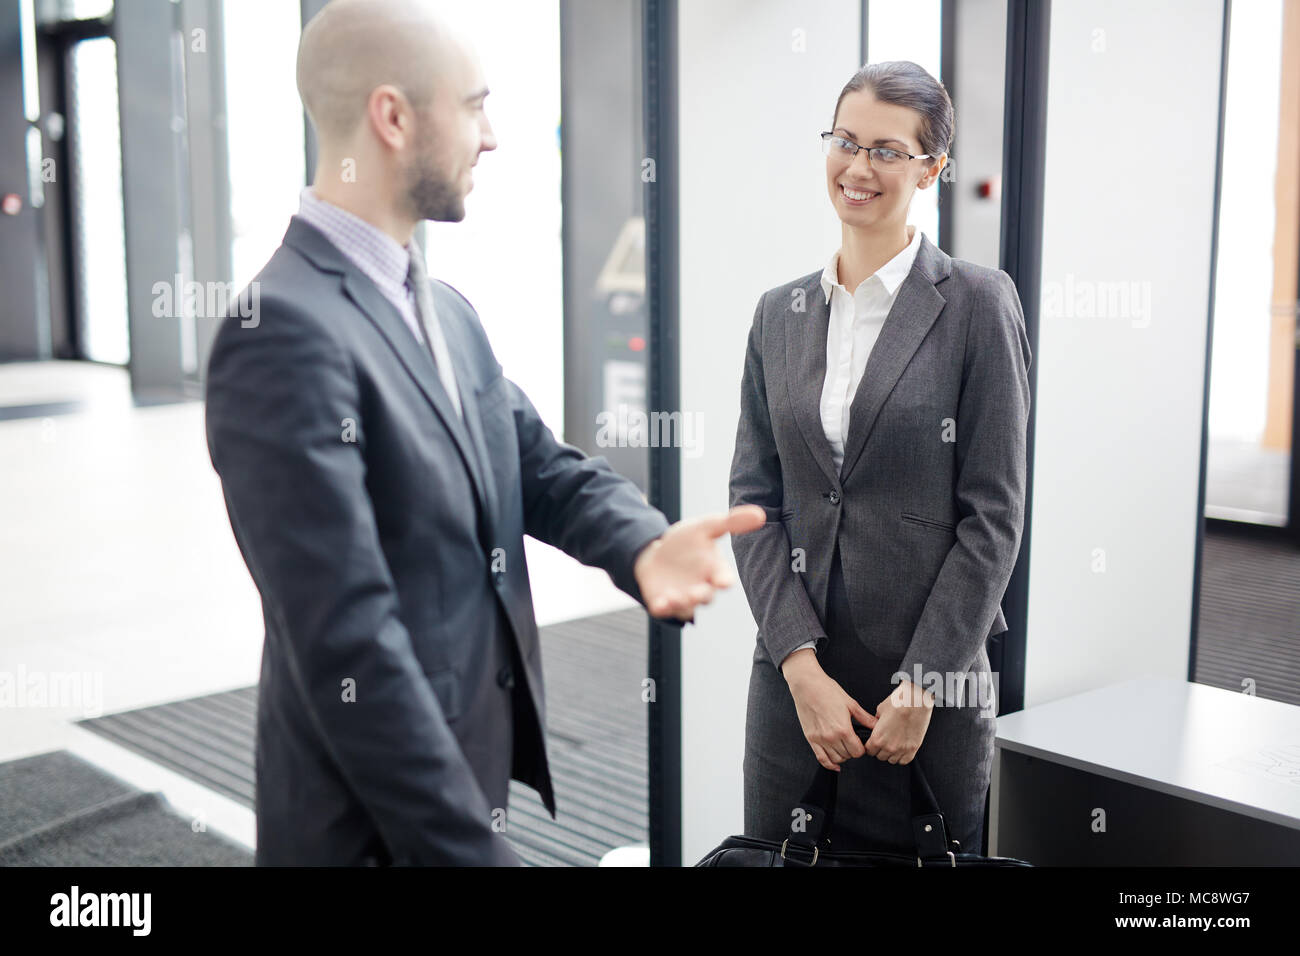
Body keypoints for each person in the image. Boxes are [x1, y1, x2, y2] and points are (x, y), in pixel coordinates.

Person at [204, 0, 763, 866]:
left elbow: (535, 463)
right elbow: (347, 644)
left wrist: (641, 545)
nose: (492, 135)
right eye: (473, 104)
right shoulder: (278, 332)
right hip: (374, 829)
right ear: (392, 118)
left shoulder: (442, 306)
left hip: (461, 780)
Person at [729, 60, 1031, 854]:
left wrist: (925, 682)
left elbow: (992, 517)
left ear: (932, 168)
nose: (858, 168)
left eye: (888, 151)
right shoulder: (779, 314)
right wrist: (798, 667)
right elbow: (756, 500)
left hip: (927, 687)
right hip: (796, 687)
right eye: (845, 142)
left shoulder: (976, 303)